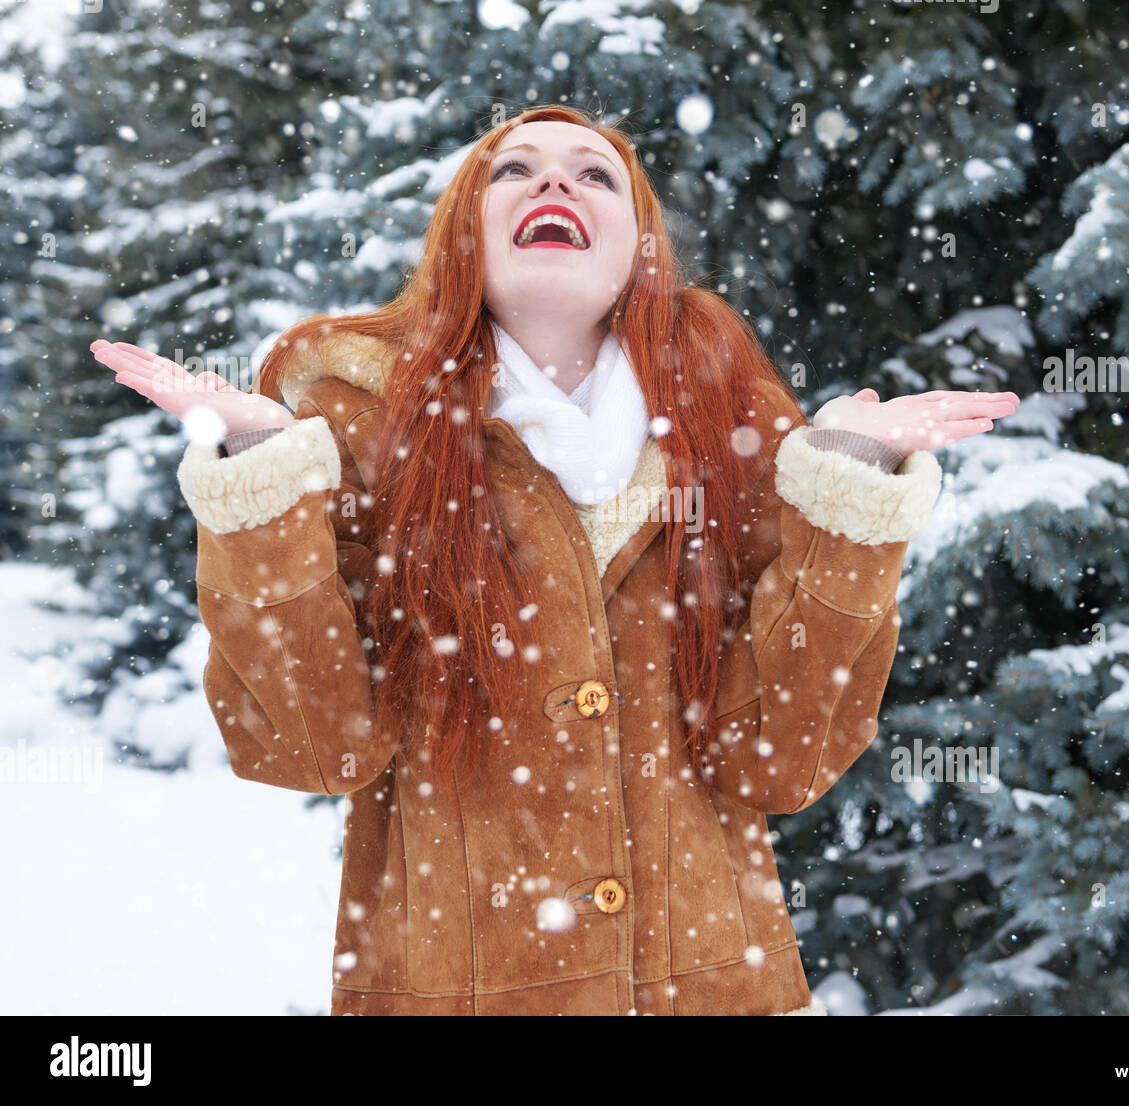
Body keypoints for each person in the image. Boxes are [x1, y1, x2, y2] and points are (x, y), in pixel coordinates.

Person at [91, 104, 1019, 1015]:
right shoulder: (355, 435)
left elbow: (779, 760)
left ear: (637, 245)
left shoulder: (736, 436)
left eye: (593, 173)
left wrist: (854, 483)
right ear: (465, 234)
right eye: (514, 168)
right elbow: (308, 744)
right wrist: (257, 475)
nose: (553, 182)